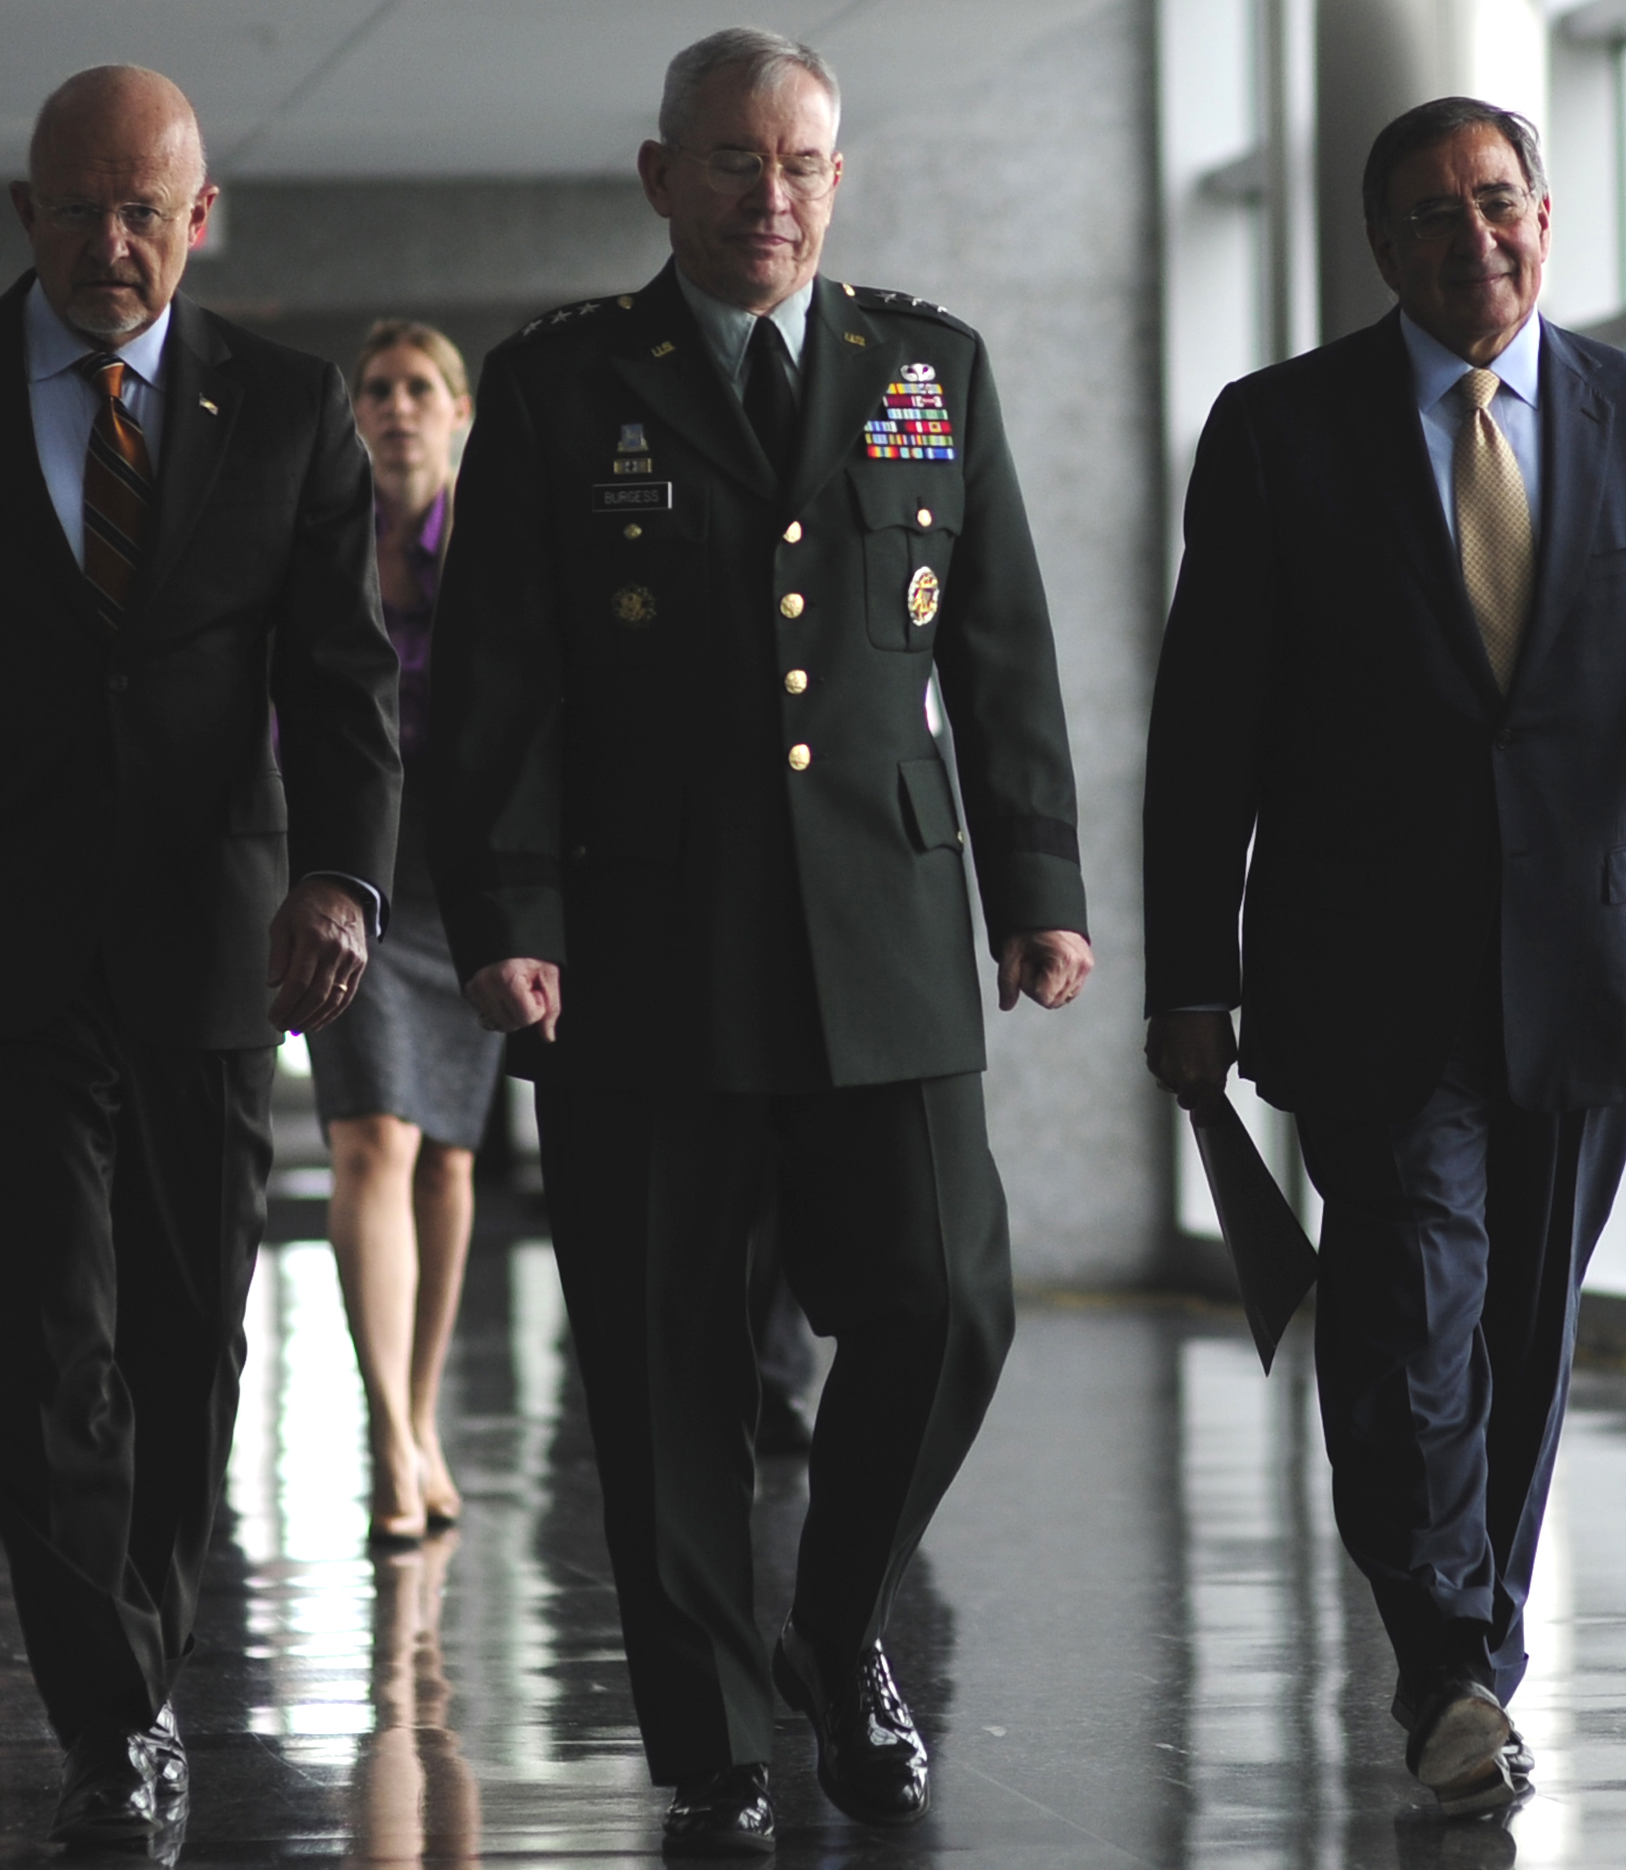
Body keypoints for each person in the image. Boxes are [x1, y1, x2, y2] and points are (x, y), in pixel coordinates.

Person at [427, 28, 1092, 1854]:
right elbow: (497, 686)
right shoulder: (562, 388)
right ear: (660, 177)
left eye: (799, 163)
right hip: (640, 942)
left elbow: (1001, 649)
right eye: (730, 163)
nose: (769, 196)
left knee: (950, 1302)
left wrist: (1036, 892)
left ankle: (832, 1630)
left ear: (837, 177)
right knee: (663, 1373)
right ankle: (712, 1734)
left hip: (883, 926)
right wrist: (506, 920)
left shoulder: (924, 366)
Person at [1144, 97, 1626, 1818]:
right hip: (1359, 980)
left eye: (1498, 203)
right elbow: (1204, 725)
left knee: (1520, 1339)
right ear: (1381, 250)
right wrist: (1187, 976)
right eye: (1432, 217)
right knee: (1402, 1315)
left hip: (1583, 975)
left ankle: (1467, 1661)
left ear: (1545, 213)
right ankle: (1445, 1666)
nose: (1473, 240)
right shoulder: (1277, 433)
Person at [0, 65, 401, 1852]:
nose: (107, 244)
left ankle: (134, 1658)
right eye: (75, 208)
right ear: (24, 212)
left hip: (208, 947)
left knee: (188, 1337)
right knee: (27, 1340)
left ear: (198, 217)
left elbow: (339, 682)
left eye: (141, 212)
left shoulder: (291, 408)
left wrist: (339, 881)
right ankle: (108, 1706)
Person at [311, 319, 502, 1546]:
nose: (397, 408)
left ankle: (424, 1412)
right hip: (346, 865)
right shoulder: (320, 540)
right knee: (372, 1136)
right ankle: (389, 1435)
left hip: (464, 873)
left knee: (446, 1158)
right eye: (376, 389)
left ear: (461, 412)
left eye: (421, 388)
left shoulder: (491, 550)